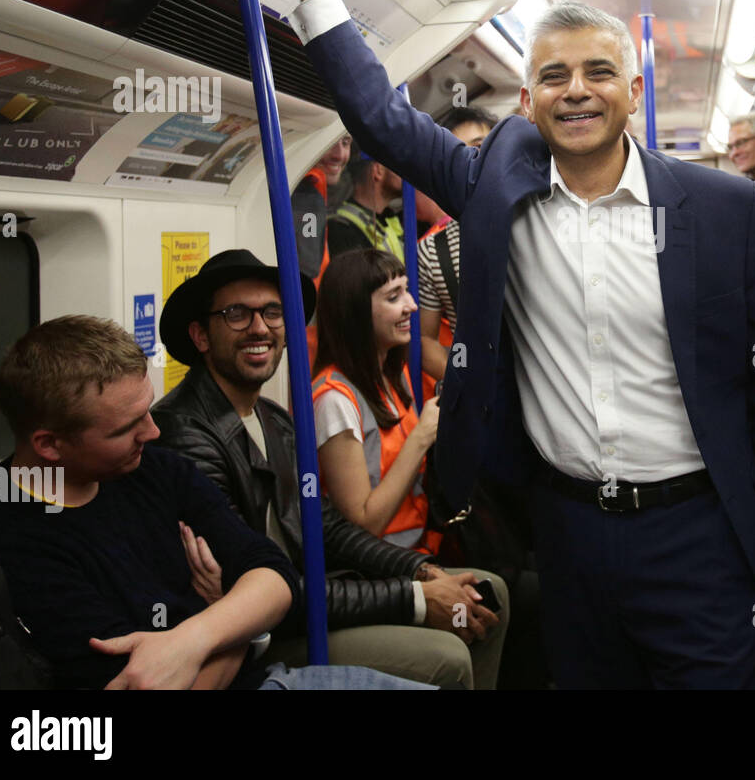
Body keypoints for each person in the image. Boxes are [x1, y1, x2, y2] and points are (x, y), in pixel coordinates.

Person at [275, 0, 755, 689]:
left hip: (702, 527)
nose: (576, 91)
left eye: (599, 72)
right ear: (527, 101)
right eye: (553, 76)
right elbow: (380, 119)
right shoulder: (492, 194)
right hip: (567, 532)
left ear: (633, 90)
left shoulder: (727, 209)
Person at [0, 315, 426, 690]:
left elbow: (272, 573)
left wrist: (192, 637)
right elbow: (138, 684)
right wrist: (239, 623)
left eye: (148, 409)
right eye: (127, 427)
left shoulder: (155, 468)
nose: (154, 430)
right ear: (49, 445)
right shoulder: (6, 532)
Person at [151, 249, 508, 689]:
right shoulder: (186, 435)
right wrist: (414, 599)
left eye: (272, 312)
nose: (260, 327)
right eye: (237, 314)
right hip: (266, 631)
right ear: (200, 336)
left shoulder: (273, 420)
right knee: (446, 657)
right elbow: (251, 589)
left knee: (491, 594)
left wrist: (418, 571)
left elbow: (327, 527)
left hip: (312, 593)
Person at [312, 248, 439, 553]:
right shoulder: (334, 401)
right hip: (382, 567)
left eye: (407, 291)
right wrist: (422, 436)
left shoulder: (392, 375)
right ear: (355, 312)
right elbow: (364, 525)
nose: (412, 305)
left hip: (418, 547)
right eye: (394, 297)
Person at [419, 106, 498, 383]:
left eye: (479, 147)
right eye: (457, 154)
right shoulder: (432, 251)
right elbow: (425, 341)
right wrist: (467, 385)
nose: (471, 161)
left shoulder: (537, 218)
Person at [291, 132, 351, 289]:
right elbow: (307, 271)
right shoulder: (305, 198)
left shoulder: (317, 193)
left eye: (345, 143)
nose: (339, 155)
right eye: (329, 142)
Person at [328, 154, 405, 262]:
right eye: (398, 164)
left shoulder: (389, 218)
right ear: (378, 170)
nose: (407, 173)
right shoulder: (341, 228)